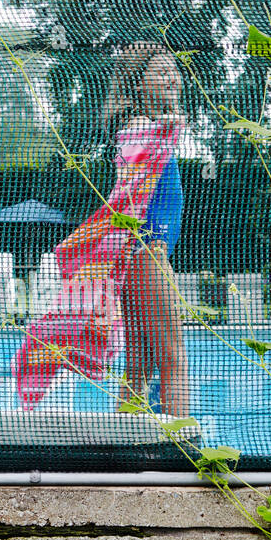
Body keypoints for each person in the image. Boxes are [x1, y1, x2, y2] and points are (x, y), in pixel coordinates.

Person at [100, 41, 188, 417]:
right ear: (137, 83)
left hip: (137, 253)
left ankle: (125, 440)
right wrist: (163, 131)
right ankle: (185, 448)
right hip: (147, 249)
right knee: (173, 356)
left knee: (140, 362)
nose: (173, 77)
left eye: (174, 69)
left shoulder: (147, 127)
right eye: (161, 71)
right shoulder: (138, 127)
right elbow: (129, 178)